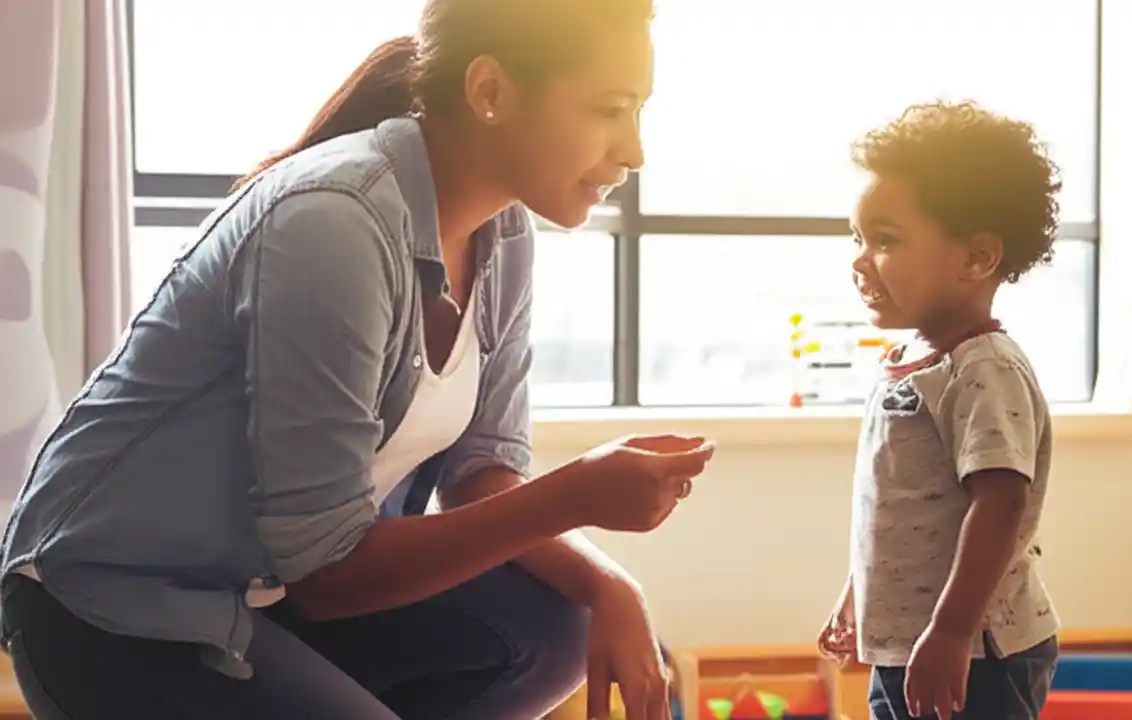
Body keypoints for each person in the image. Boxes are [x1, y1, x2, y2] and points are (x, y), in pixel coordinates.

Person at [0, 1, 715, 718]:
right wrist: (575, 494)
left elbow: (481, 476)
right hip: (114, 605)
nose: (633, 150)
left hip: (265, 594)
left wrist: (610, 584)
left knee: (558, 623)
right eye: (611, 109)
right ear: (491, 92)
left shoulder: (504, 235)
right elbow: (328, 573)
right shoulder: (334, 223)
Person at [818, 100, 1062, 720]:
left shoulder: (984, 369)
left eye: (885, 241)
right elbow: (894, 514)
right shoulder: (911, 359)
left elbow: (999, 501)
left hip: (977, 651)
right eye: (858, 239)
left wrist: (952, 632)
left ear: (977, 257)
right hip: (907, 644)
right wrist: (858, 599)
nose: (859, 260)